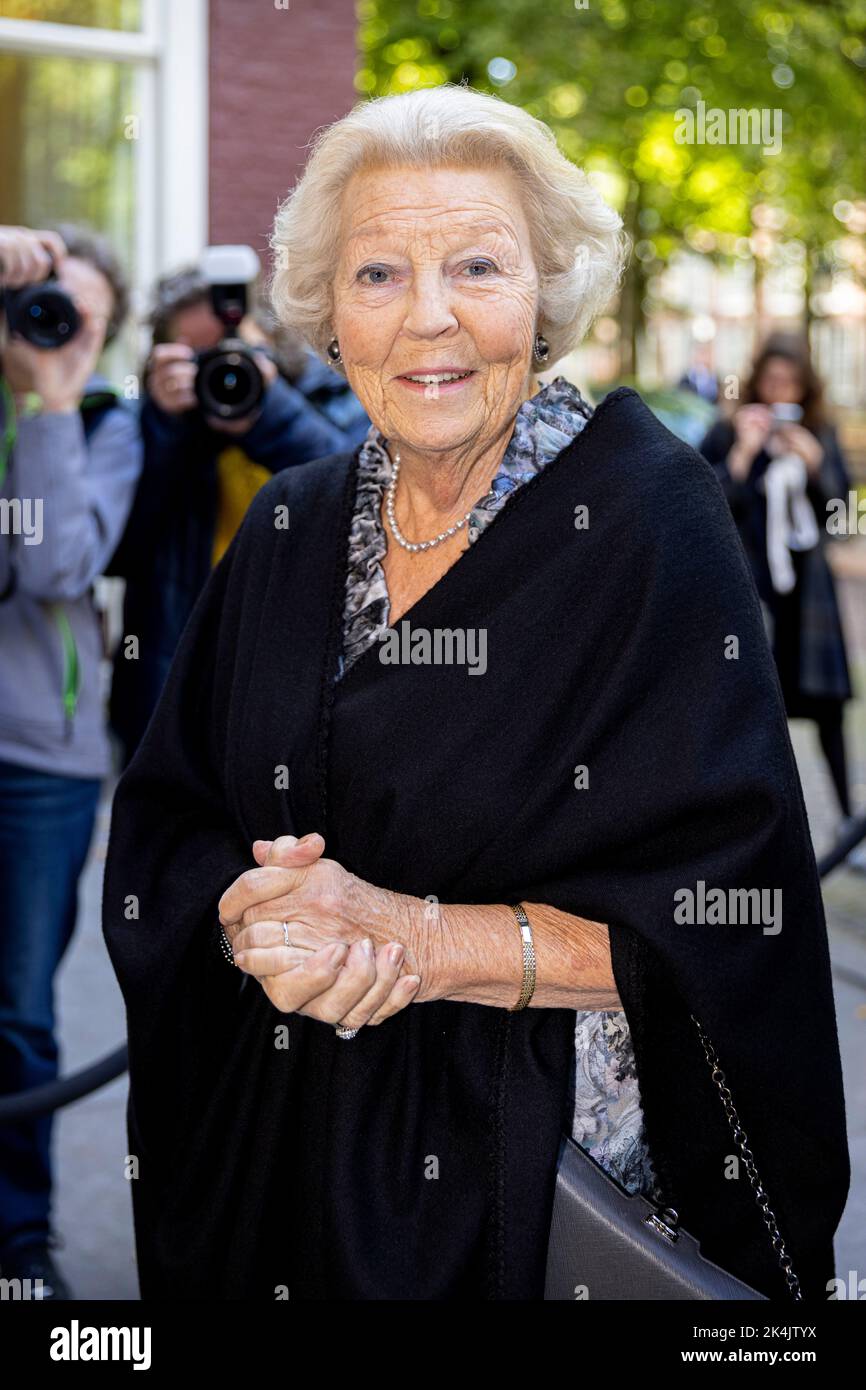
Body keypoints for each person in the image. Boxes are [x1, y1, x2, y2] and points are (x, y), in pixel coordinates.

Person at [102, 84, 849, 1302]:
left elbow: (728, 919)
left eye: (476, 266)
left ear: (545, 298)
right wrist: (251, 920)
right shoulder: (289, 523)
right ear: (327, 313)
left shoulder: (646, 522)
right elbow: (168, 820)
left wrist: (415, 938)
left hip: (525, 1194)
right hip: (280, 1161)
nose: (427, 317)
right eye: (377, 273)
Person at [0, 223, 142, 1298]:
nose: (56, 329)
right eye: (44, 306)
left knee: (19, 1012)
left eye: (81, 320)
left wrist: (50, 402)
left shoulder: (103, 425)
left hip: (41, 763)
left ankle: (18, 1244)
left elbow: (57, 564)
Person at [107, 266, 369, 769]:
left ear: (272, 343)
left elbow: (360, 502)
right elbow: (121, 551)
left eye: (236, 351)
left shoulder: (334, 399)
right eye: (199, 358)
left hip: (298, 702)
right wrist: (165, 429)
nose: (223, 370)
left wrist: (270, 413)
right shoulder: (150, 426)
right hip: (177, 704)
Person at [699, 335, 855, 834]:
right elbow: (703, 506)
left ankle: (848, 821)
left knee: (828, 709)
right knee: (750, 712)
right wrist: (743, 453)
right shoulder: (729, 431)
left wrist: (815, 463)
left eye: (789, 383)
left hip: (808, 598)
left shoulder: (819, 433)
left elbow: (841, 515)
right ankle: (748, 829)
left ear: (805, 387)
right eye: (771, 381)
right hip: (753, 592)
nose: (778, 391)